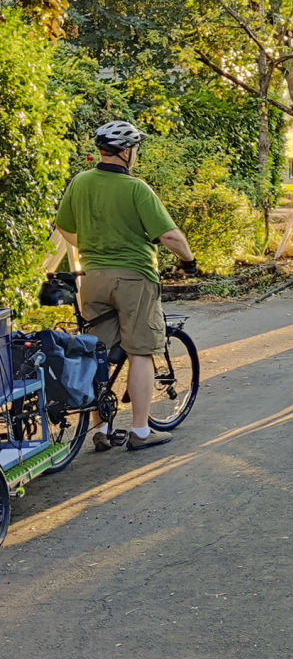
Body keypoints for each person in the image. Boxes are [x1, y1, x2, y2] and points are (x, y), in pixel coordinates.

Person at [54, 121, 198, 451]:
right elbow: (170, 236)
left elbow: (64, 228)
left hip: (92, 278)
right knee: (142, 351)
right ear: (126, 152)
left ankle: (101, 429)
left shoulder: (81, 182)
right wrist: (189, 261)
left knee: (98, 353)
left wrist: (92, 245)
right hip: (134, 278)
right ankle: (141, 431)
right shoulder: (137, 189)